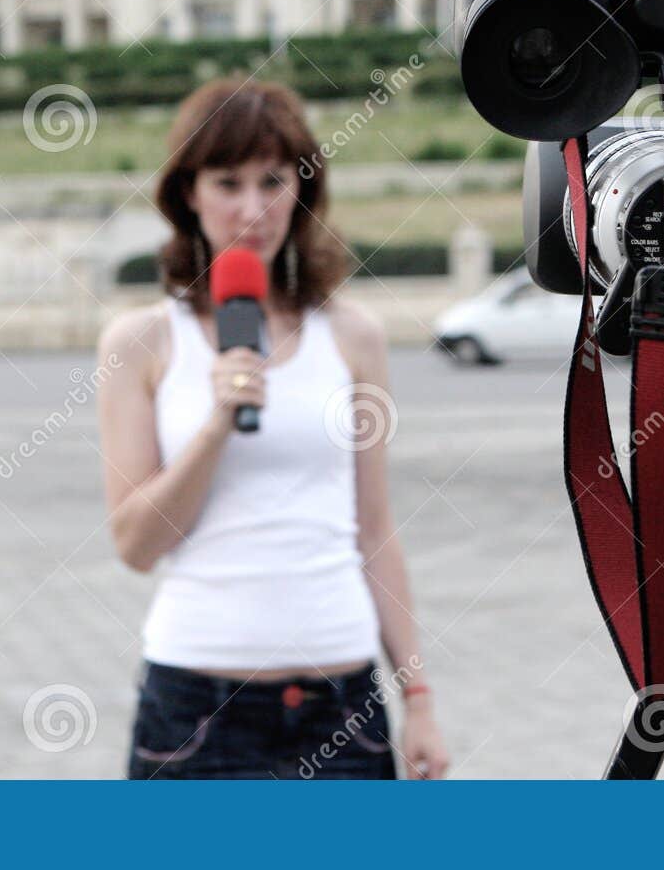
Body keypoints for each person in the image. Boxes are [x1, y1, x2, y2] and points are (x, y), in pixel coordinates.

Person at [96, 77, 449, 779]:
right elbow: (136, 543)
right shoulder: (141, 342)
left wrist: (418, 695)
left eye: (273, 180)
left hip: (342, 706)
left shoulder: (353, 336)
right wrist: (216, 424)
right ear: (188, 193)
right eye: (228, 182)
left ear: (302, 190)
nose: (252, 208)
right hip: (197, 709)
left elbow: (373, 529)